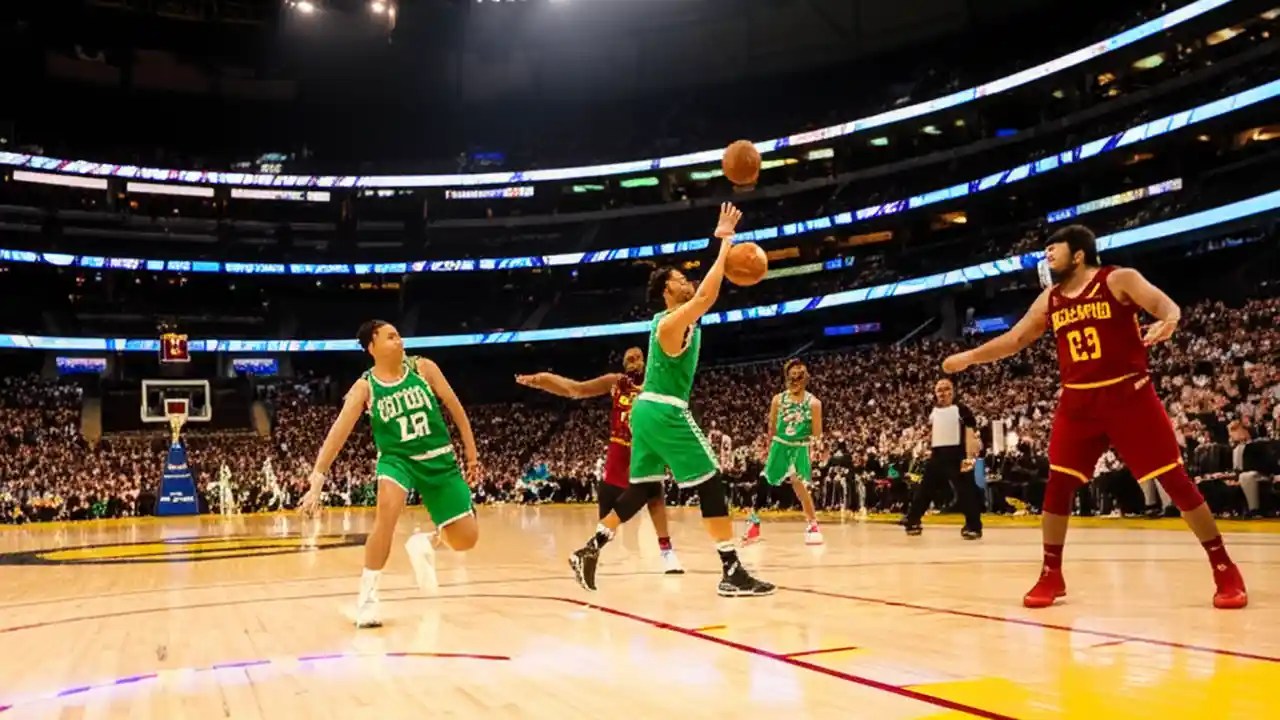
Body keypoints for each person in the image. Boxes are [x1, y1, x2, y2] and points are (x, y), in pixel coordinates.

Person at [942, 225, 1247, 609]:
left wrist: (1169, 320)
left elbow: (1163, 303)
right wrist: (970, 357)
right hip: (1079, 403)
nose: (1048, 255)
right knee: (1057, 485)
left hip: (1128, 395)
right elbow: (1016, 339)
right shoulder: (1050, 298)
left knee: (1175, 480)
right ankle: (1051, 573)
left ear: (1080, 253)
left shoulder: (1118, 279)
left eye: (1054, 249)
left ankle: (1224, 567)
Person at [567, 202, 774, 597]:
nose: (688, 282)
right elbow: (708, 297)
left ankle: (589, 549)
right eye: (681, 278)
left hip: (646, 412)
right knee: (711, 479)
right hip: (665, 409)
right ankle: (731, 571)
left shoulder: (677, 320)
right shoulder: (668, 321)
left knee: (642, 490)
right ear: (667, 290)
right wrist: (725, 241)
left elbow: (705, 298)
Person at [299, 320, 482, 627]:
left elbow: (455, 406)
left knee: (466, 539)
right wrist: (317, 479)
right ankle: (368, 601)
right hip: (397, 460)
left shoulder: (424, 368)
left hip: (439, 459)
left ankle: (427, 543)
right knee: (386, 512)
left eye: (398, 336)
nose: (399, 341)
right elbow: (338, 432)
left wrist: (472, 454)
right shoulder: (365, 386)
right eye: (390, 337)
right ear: (372, 347)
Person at [516, 347, 685, 573]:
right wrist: (542, 380)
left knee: (655, 495)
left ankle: (667, 552)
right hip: (618, 448)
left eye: (637, 357)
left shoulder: (655, 383)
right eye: (628, 358)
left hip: (644, 448)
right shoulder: (616, 382)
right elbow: (575, 388)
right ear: (624, 365)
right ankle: (592, 553)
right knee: (608, 513)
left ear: (645, 361)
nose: (633, 360)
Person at [741, 359, 824, 545]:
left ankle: (813, 524)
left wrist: (817, 451)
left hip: (800, 446)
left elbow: (817, 433)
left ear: (805, 378)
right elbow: (772, 428)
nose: (794, 380)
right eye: (791, 376)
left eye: (798, 376)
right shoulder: (778, 400)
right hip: (780, 444)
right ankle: (754, 522)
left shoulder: (814, 403)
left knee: (800, 484)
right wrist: (769, 448)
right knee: (764, 481)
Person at [900, 378, 984, 539]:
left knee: (966, 491)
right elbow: (933, 431)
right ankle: (913, 520)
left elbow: (970, 431)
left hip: (957, 453)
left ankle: (974, 526)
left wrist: (968, 456)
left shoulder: (961, 409)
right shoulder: (933, 411)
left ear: (953, 391)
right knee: (925, 489)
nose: (943, 393)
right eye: (939, 390)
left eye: (946, 389)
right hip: (937, 453)